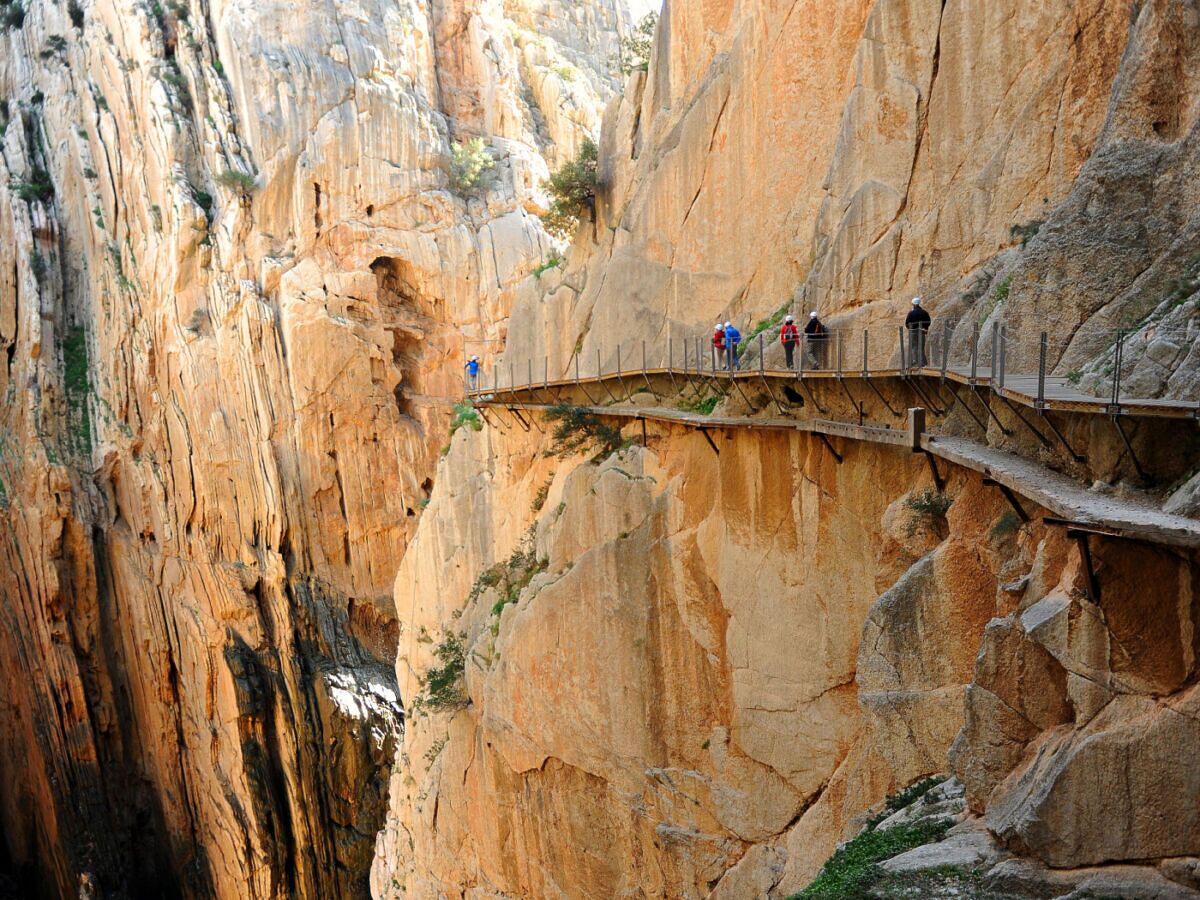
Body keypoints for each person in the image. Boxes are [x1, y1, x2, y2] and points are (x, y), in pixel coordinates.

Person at [905, 297, 931, 367]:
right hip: (922, 331)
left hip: (913, 332)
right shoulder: (925, 312)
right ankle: (923, 363)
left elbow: (907, 323)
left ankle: (915, 362)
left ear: (913, 304)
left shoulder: (911, 313)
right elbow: (928, 322)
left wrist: (910, 328)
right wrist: (925, 328)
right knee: (921, 347)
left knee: (914, 347)